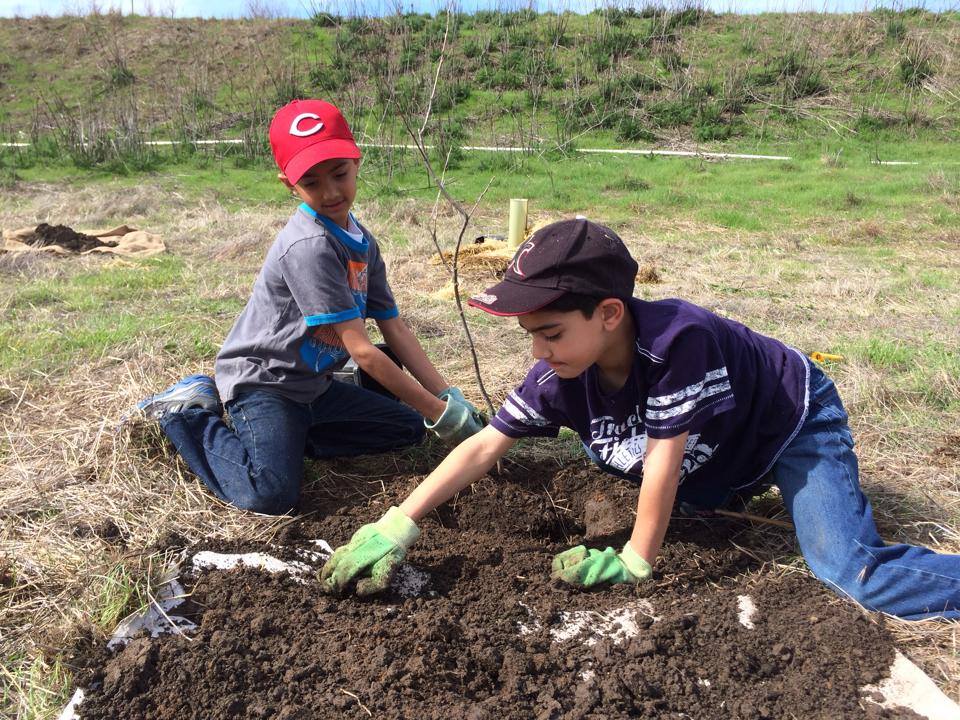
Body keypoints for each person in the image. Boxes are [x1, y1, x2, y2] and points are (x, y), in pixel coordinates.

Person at [320, 218, 960, 621]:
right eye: (529, 337)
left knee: (850, 572)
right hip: (721, 443)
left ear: (609, 314)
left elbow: (663, 460)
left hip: (789, 424)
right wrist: (396, 523)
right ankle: (732, 488)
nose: (538, 352)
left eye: (550, 333)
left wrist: (635, 560)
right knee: (684, 498)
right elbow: (483, 447)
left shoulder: (678, 342)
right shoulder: (560, 373)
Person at [137, 98, 483, 515]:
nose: (331, 192)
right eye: (312, 182)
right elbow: (362, 352)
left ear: (357, 162)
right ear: (290, 184)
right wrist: (439, 414)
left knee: (406, 427)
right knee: (269, 495)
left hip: (313, 386)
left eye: (339, 174)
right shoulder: (310, 247)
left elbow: (395, 328)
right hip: (264, 385)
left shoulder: (362, 241)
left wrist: (444, 396)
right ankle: (190, 415)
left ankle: (289, 439)